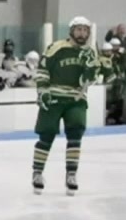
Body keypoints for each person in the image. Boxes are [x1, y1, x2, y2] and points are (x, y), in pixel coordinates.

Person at [31, 15, 99, 195]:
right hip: (54, 98)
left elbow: (88, 80)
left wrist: (89, 68)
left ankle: (71, 174)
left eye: (85, 30)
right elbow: (43, 70)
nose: (82, 33)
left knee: (76, 134)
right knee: (46, 135)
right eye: (79, 29)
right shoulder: (56, 47)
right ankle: (37, 173)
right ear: (71, 31)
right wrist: (43, 91)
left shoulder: (91, 53)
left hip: (76, 100)